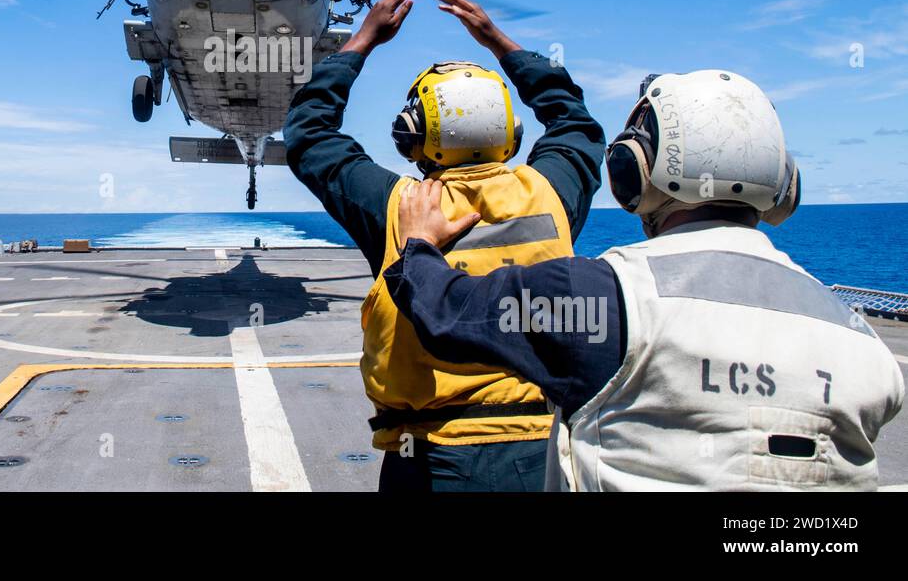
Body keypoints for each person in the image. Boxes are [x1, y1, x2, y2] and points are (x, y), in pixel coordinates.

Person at [384, 70, 905, 490]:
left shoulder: (605, 300)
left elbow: (444, 309)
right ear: (784, 184)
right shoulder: (864, 344)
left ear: (635, 171)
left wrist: (420, 247)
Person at [283, 0, 605, 491]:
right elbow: (575, 121)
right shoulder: (551, 193)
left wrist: (362, 40)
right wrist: (499, 42)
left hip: (429, 459)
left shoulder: (398, 207)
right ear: (511, 132)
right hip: (543, 456)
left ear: (411, 134)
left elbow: (308, 132)